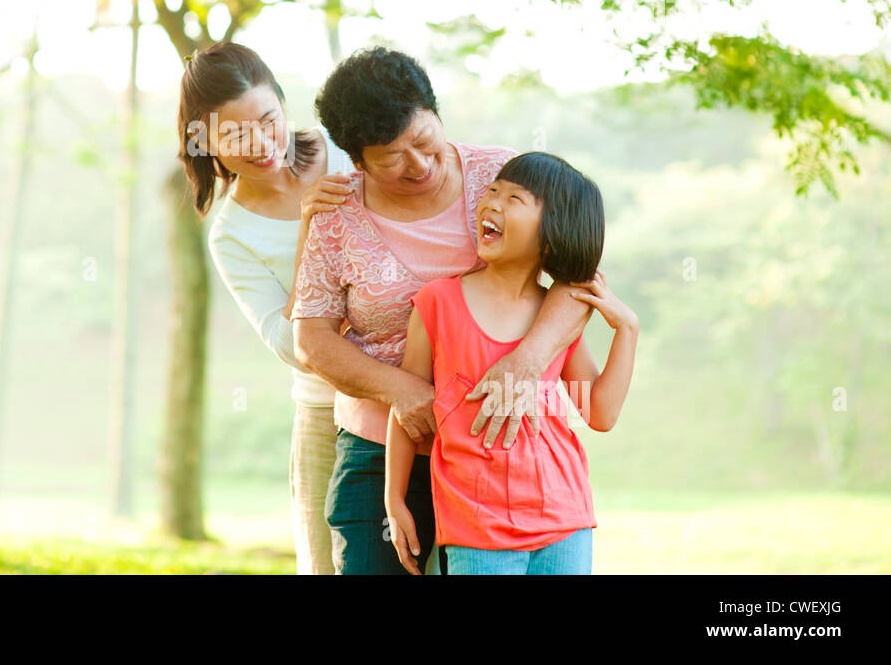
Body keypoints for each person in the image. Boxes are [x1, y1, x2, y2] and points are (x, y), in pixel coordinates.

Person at [292, 47, 593, 575]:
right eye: (392, 157)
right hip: (381, 447)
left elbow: (579, 275)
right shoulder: (336, 213)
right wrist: (403, 391)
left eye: (425, 141)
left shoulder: (501, 176)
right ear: (356, 160)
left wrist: (526, 362)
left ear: (435, 113)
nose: (420, 164)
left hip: (498, 449)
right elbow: (311, 338)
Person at [384, 152, 639, 575]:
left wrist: (627, 329)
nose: (491, 204)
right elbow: (407, 404)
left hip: (564, 520)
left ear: (553, 231)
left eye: (515, 198)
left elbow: (601, 413)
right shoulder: (438, 303)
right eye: (492, 191)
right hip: (476, 528)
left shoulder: (559, 316)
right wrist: (394, 500)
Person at [177, 41, 355, 575]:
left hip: (420, 391)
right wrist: (308, 228)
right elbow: (289, 345)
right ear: (205, 141)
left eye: (267, 119)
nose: (259, 144)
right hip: (328, 414)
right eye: (233, 134)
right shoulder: (233, 234)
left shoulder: (347, 146)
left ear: (282, 101)